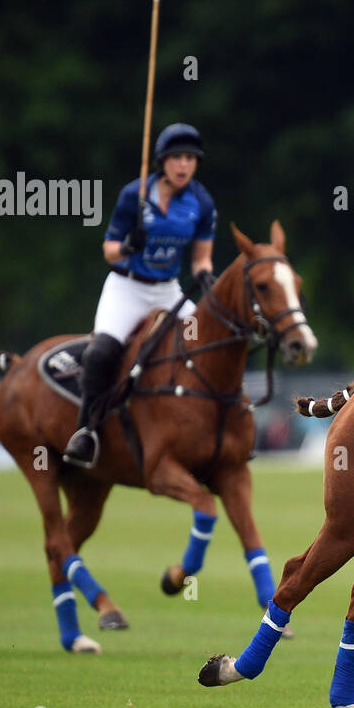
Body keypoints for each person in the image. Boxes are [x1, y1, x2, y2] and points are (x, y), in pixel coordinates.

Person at [62, 123, 217, 468]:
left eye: (190, 158)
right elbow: (109, 250)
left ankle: (218, 428)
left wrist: (205, 273)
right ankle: (86, 430)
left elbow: (201, 256)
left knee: (207, 344)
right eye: (177, 157)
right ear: (162, 161)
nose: (183, 165)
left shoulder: (201, 202)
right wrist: (128, 245)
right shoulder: (135, 195)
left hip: (168, 291)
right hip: (126, 288)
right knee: (102, 352)